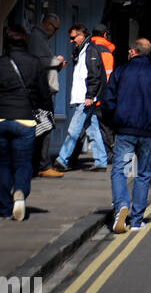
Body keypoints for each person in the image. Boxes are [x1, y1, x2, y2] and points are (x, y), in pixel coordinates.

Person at [101, 38, 151, 233]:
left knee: (119, 171)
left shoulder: (121, 71)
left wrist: (113, 121)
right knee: (143, 174)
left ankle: (122, 205)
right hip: (148, 133)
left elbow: (107, 100)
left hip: (125, 131)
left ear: (133, 52)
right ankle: (136, 220)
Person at [0, 25, 52, 220]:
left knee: (3, 165)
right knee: (23, 164)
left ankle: (4, 209)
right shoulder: (35, 62)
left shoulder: (1, 63)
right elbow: (43, 94)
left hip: (2, 118)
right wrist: (46, 113)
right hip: (25, 120)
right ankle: (20, 191)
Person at [44, 25, 108, 174]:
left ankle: (62, 160)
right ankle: (101, 161)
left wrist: (90, 96)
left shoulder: (90, 50)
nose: (71, 40)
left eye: (73, 37)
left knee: (73, 130)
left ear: (81, 35)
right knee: (93, 130)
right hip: (83, 97)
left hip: (85, 98)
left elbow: (94, 74)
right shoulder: (83, 50)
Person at [27, 12, 65, 177]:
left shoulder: (40, 38)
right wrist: (56, 61)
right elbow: (37, 62)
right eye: (54, 28)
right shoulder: (36, 37)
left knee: (44, 127)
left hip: (44, 90)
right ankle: (42, 165)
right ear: (47, 24)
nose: (55, 32)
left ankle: (40, 164)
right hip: (41, 92)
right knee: (45, 126)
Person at [90, 27, 116, 158]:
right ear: (105, 35)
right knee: (105, 127)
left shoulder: (87, 48)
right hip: (101, 96)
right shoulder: (106, 51)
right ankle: (108, 154)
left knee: (81, 128)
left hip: (87, 96)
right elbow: (108, 76)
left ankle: (68, 157)